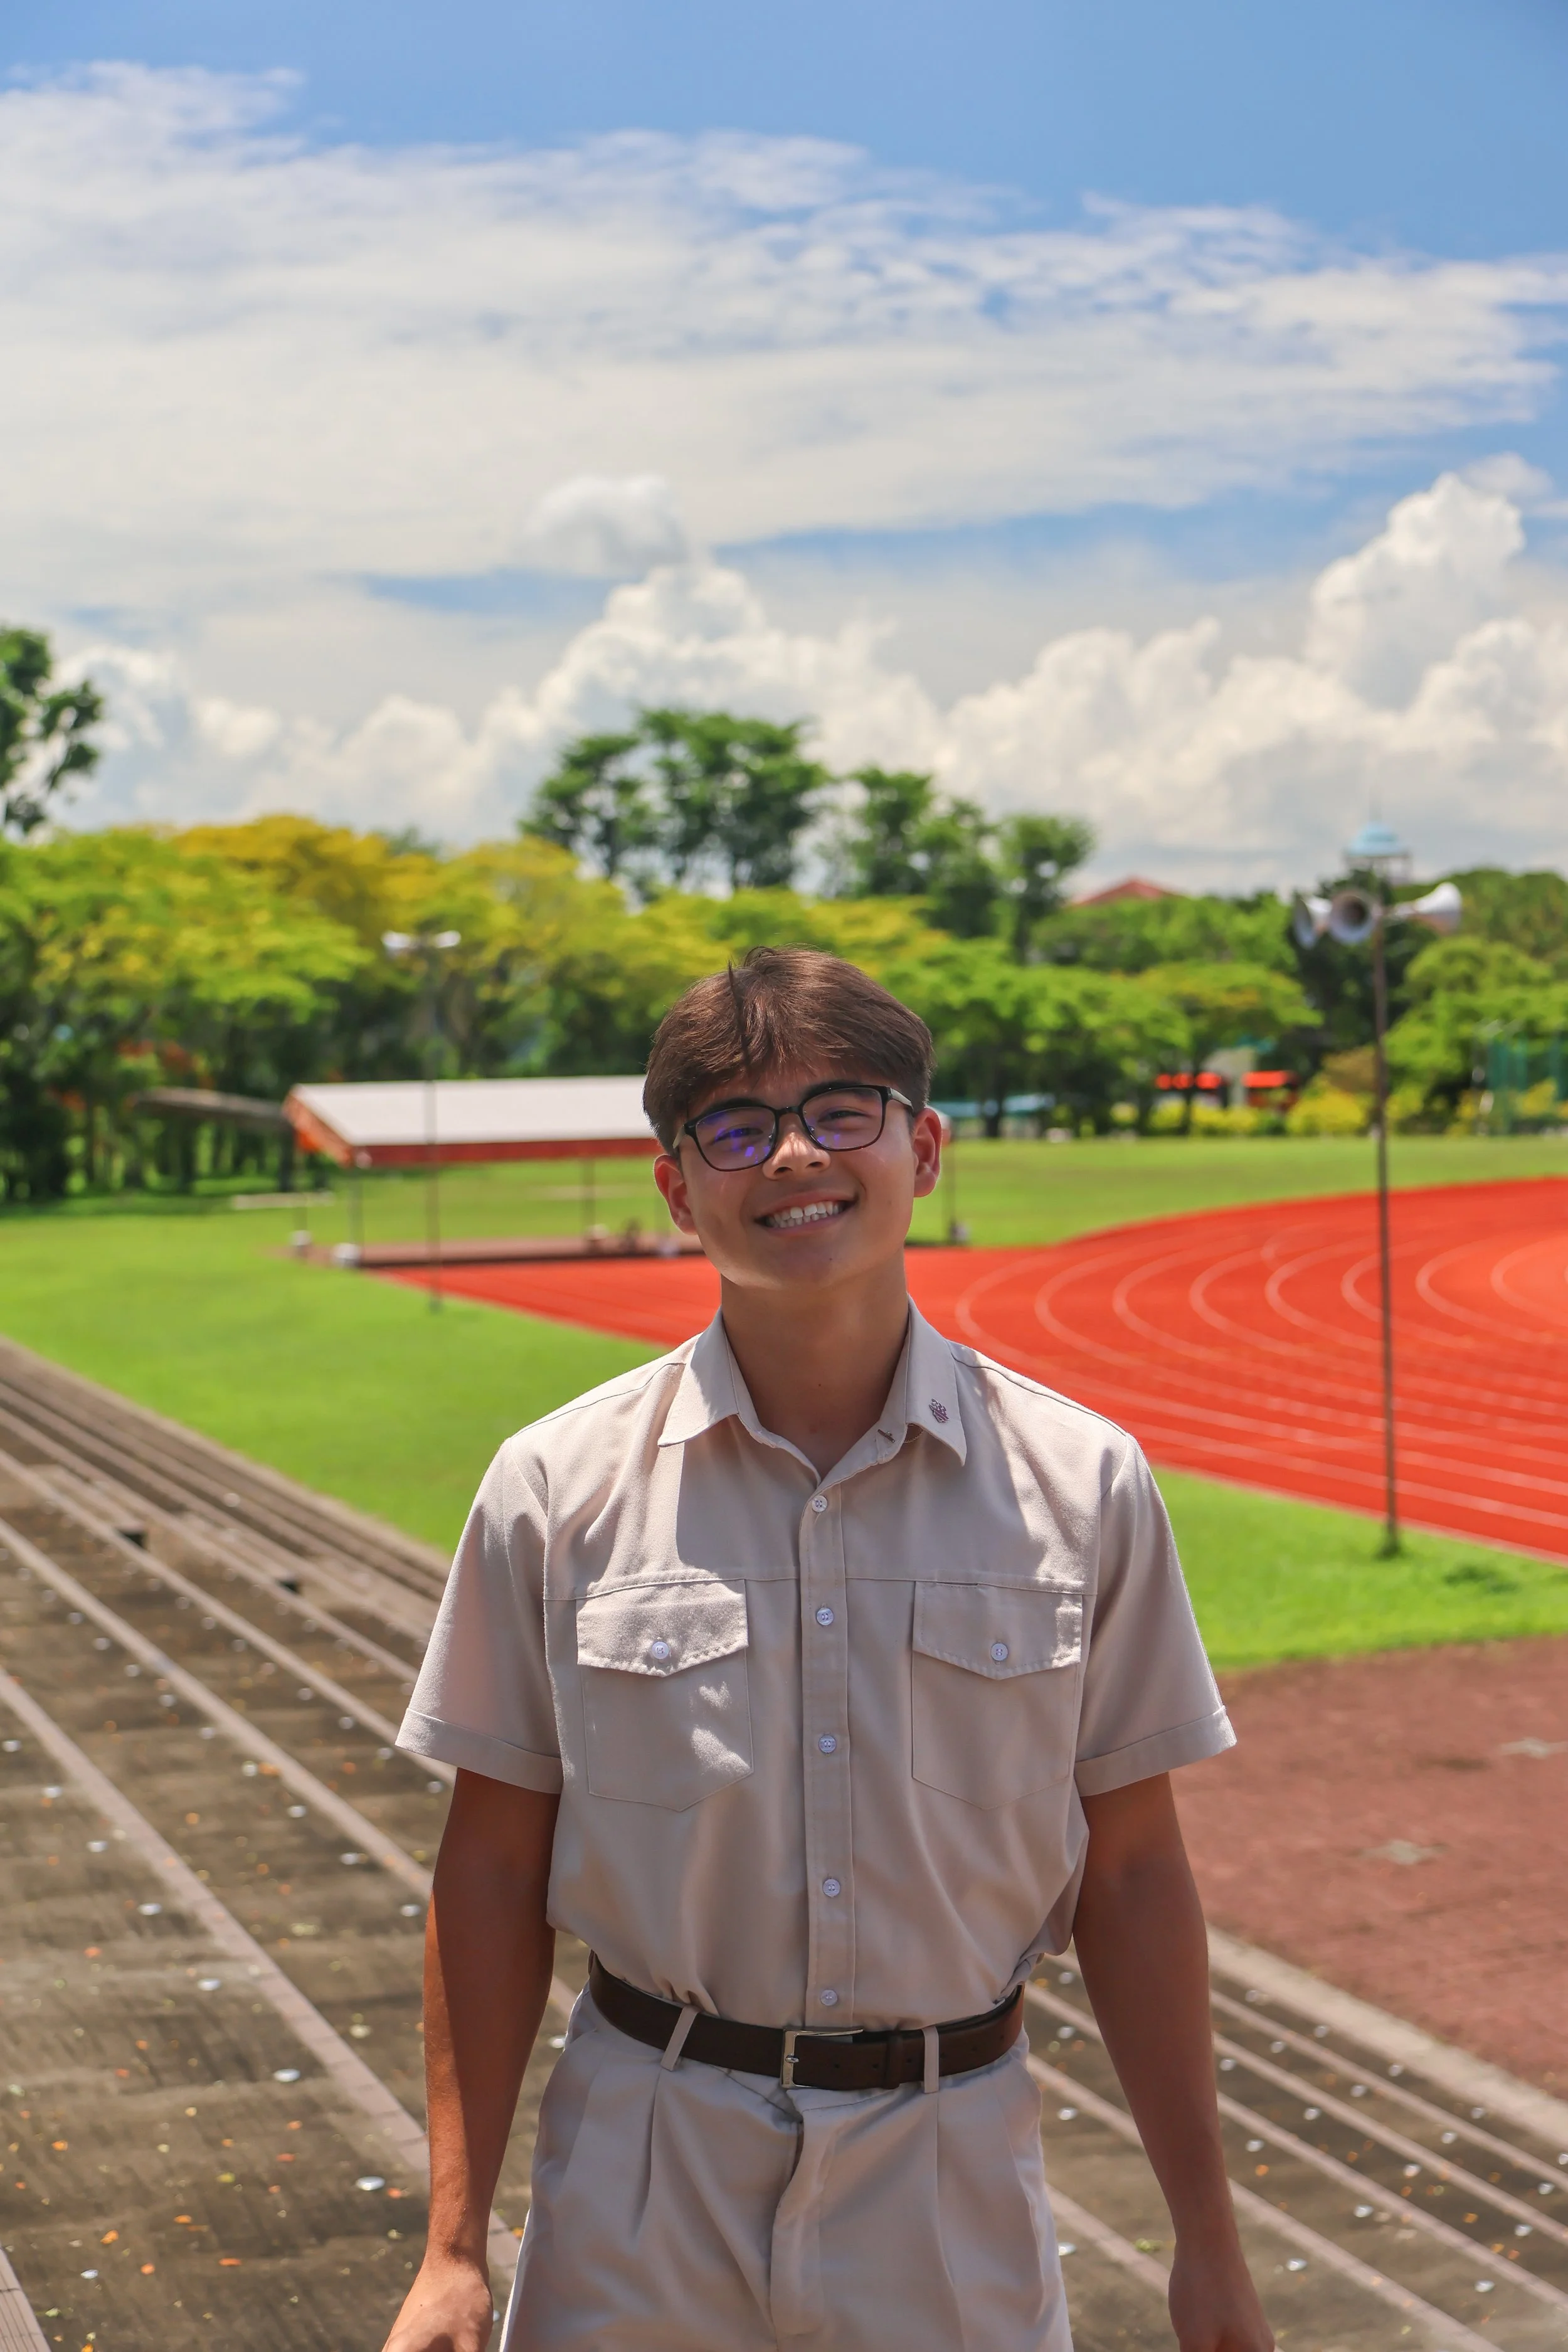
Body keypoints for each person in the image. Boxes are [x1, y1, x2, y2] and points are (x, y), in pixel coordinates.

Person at [384, 947, 1273, 2352]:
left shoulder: (1080, 1482)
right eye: (735, 1127)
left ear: (922, 1147)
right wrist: (450, 2246)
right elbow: (489, 1866)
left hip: (947, 2171)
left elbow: (1136, 1867)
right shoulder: (557, 1488)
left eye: (841, 1110)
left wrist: (1205, 2242)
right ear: (678, 1186)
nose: (792, 1154)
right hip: (640, 2165)